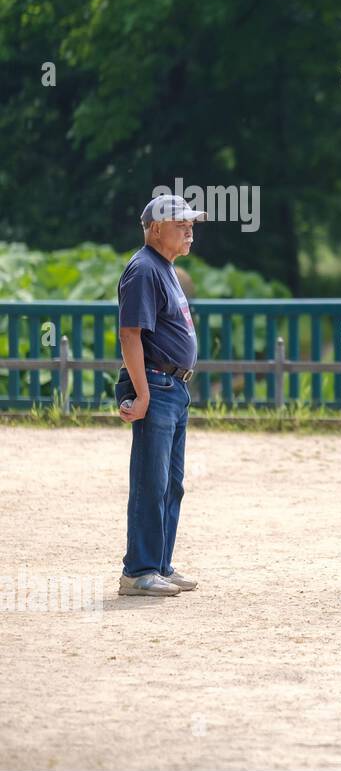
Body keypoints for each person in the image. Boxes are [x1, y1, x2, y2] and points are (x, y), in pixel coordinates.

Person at [116, 194, 206, 596]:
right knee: (151, 482)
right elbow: (130, 334)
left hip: (175, 386)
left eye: (192, 223)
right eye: (181, 223)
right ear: (156, 228)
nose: (190, 230)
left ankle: (160, 564)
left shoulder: (163, 267)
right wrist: (142, 394)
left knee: (171, 484)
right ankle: (139, 571)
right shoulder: (143, 269)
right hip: (158, 384)